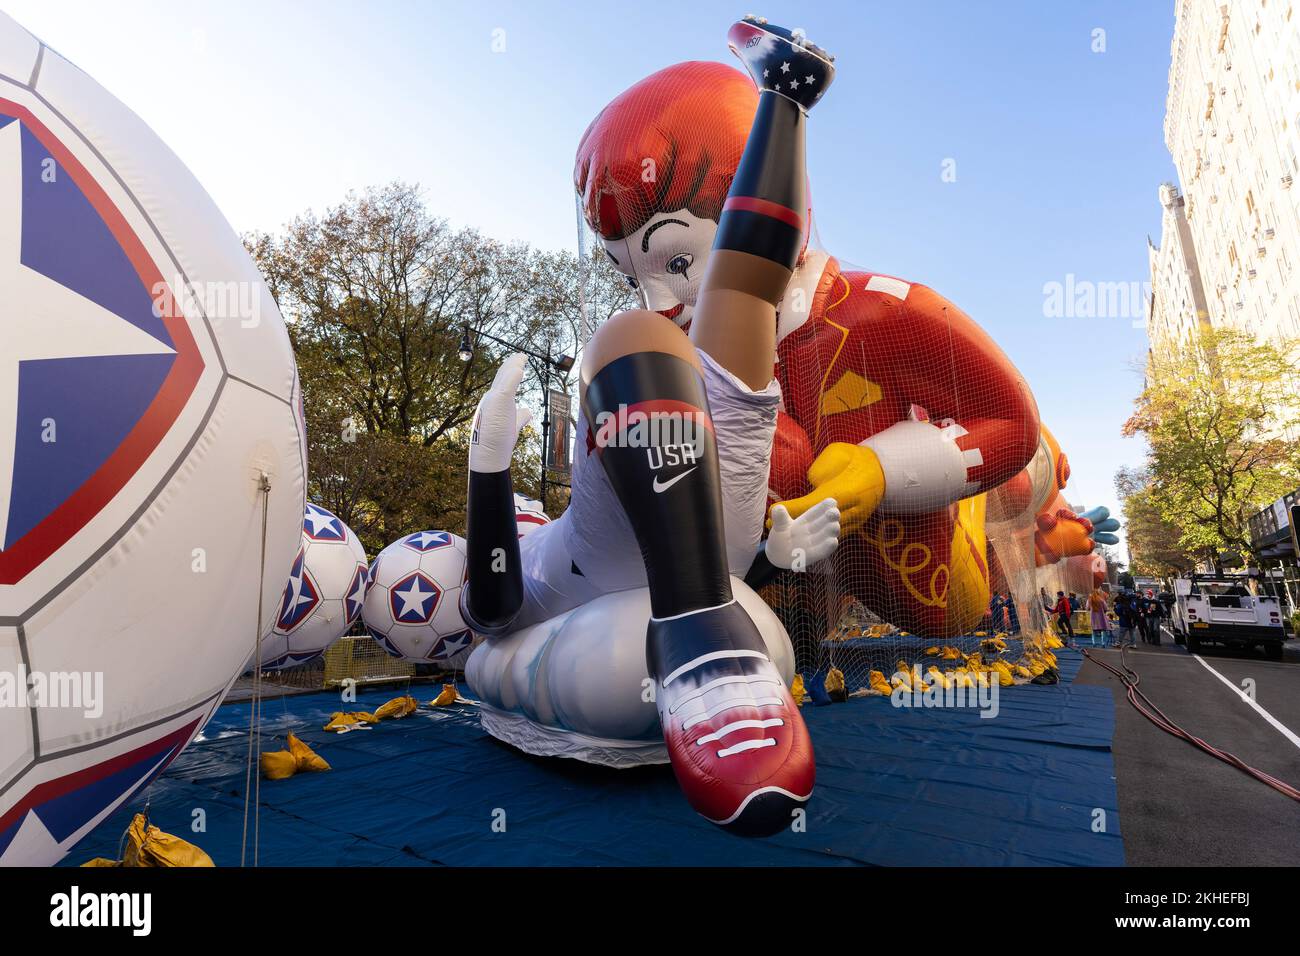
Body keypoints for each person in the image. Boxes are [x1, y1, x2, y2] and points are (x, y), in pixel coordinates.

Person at [462, 18, 838, 836]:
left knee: (699, 315)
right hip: (626, 535)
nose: (663, 289)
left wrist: (491, 468)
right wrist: (488, 471)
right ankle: (703, 630)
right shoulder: (536, 548)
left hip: (688, 496)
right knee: (705, 313)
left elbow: (487, 615)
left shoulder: (535, 537)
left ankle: (785, 94)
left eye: (671, 263)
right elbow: (491, 613)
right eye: (643, 271)